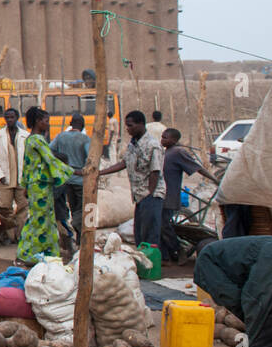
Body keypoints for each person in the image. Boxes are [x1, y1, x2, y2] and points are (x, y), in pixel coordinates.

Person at [96, 110, 165, 251]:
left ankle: (151, 266)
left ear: (141, 124)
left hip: (151, 195)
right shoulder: (133, 144)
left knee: (150, 235)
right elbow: (124, 163)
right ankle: (143, 262)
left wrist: (149, 195)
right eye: (127, 126)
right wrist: (100, 173)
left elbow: (155, 171)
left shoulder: (152, 145)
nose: (127, 129)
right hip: (139, 196)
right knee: (139, 233)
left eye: (130, 125)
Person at [16, 107, 74, 265]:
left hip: (35, 185)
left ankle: (42, 253)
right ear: (38, 121)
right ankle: (29, 254)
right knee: (40, 221)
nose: (48, 124)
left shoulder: (30, 139)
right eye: (46, 121)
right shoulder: (38, 140)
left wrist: (26, 186)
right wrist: (73, 171)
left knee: (42, 220)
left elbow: (27, 166)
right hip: (41, 186)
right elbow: (51, 160)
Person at [160, 128, 219, 264]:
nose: (162, 140)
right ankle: (166, 255)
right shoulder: (165, 152)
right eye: (162, 137)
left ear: (174, 140)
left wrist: (214, 179)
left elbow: (197, 168)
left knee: (164, 225)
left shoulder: (178, 152)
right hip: (160, 194)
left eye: (165, 137)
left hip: (169, 195)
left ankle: (178, 249)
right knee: (160, 225)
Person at [0, 108, 29, 242]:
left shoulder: (25, 136)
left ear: (17, 118)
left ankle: (20, 236)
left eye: (12, 117)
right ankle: (9, 236)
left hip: (21, 179)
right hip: (5, 180)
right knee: (5, 209)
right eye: (7, 117)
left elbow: (28, 159)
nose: (10, 120)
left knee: (23, 209)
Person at [49, 114, 91, 246]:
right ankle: (76, 226)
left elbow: (49, 150)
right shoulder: (85, 139)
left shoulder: (61, 136)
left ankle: (76, 237)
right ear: (83, 125)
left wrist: (62, 163)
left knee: (72, 207)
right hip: (79, 179)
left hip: (64, 179)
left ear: (70, 124)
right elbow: (89, 159)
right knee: (80, 208)